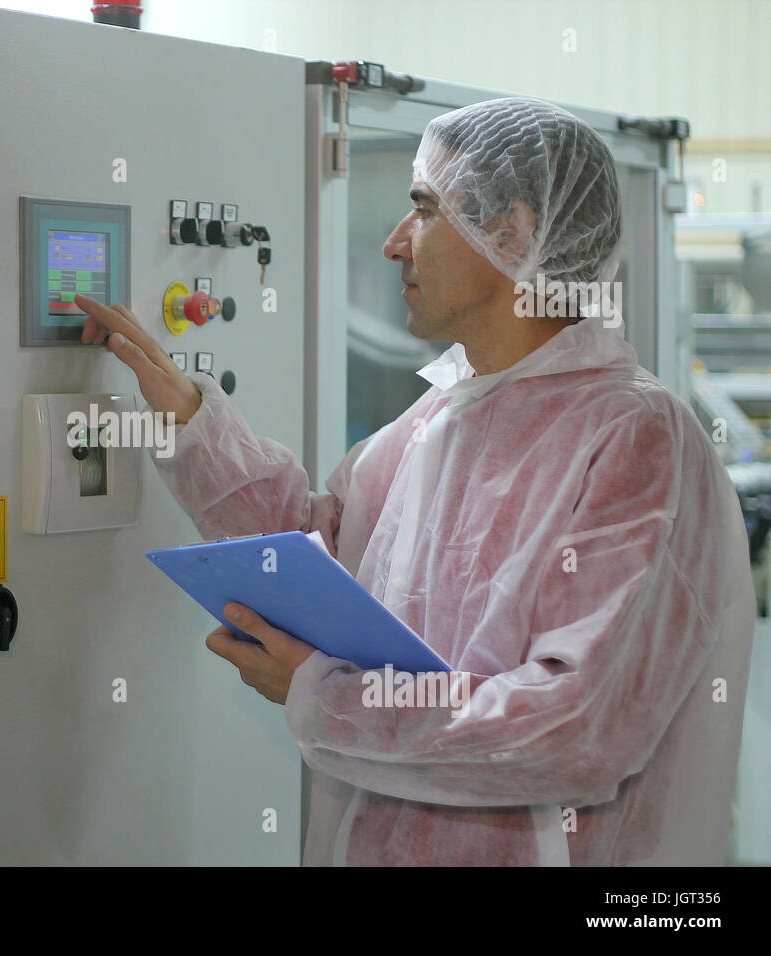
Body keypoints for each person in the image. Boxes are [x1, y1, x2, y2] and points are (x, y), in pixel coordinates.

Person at [75, 96, 755, 866]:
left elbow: (574, 726)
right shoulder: (440, 419)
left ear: (513, 232)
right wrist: (191, 418)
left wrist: (325, 697)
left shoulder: (638, 438)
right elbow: (319, 556)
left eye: (425, 210)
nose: (395, 242)